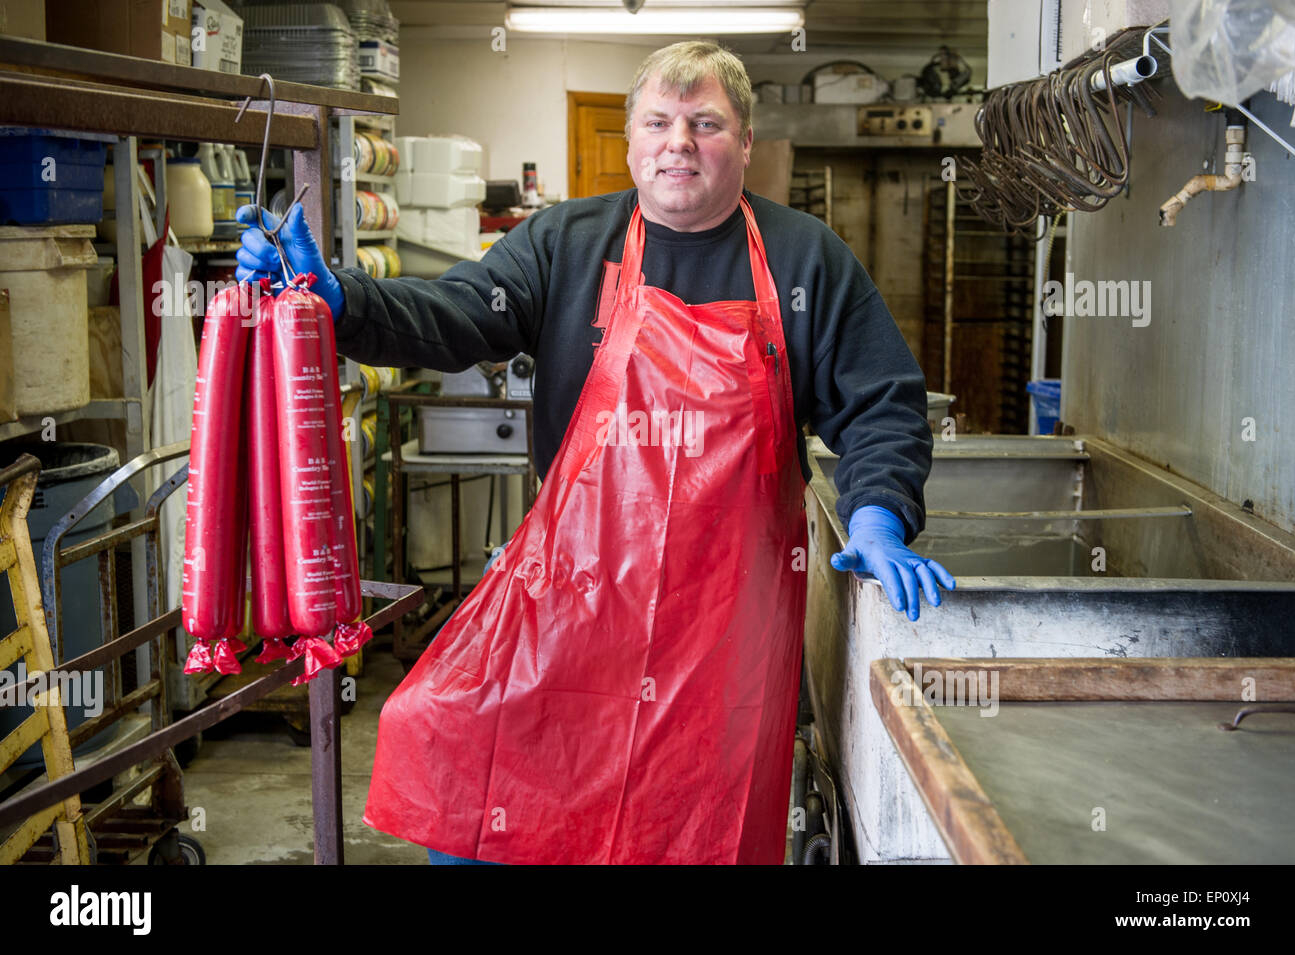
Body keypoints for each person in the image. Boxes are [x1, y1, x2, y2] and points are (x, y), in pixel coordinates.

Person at [236, 40, 954, 865]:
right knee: (463, 756)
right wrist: (342, 298)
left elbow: (881, 402)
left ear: (745, 144)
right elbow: (455, 314)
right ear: (631, 142)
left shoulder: (805, 261)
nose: (678, 141)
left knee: (686, 829)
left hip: (726, 633)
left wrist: (878, 515)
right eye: (659, 120)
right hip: (568, 607)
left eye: (705, 123)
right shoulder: (567, 243)